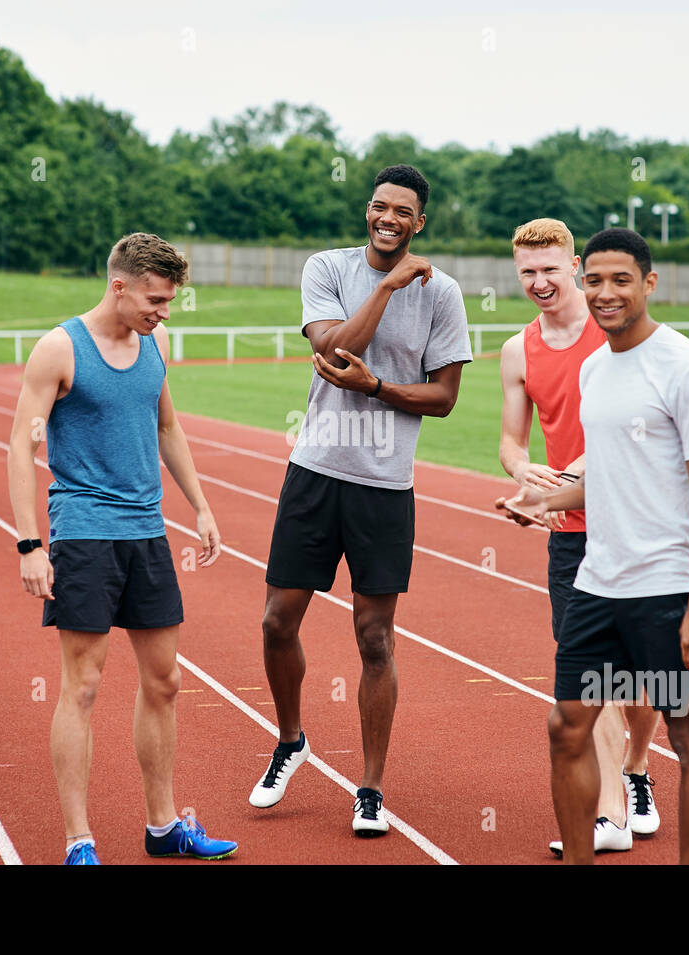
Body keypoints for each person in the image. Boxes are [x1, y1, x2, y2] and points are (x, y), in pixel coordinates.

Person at [250, 165, 473, 835]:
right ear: (367, 209)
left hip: (384, 486)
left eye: (403, 211)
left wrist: (377, 388)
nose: (388, 218)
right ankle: (291, 739)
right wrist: (387, 286)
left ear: (419, 222)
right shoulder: (327, 267)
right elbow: (334, 349)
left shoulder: (444, 294)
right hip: (315, 470)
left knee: (375, 638)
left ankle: (369, 786)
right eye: (380, 206)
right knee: (277, 621)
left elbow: (444, 398)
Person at [7, 232, 238, 864]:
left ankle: (164, 828)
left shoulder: (152, 345)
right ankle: (78, 842)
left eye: (169, 301)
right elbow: (22, 446)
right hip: (84, 533)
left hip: (147, 533)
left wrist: (201, 506)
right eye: (155, 300)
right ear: (120, 286)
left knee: (165, 681)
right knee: (82, 686)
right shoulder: (60, 348)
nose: (164, 312)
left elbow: (167, 426)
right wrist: (30, 544)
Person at [505, 228, 689, 865]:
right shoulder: (596, 368)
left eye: (621, 280)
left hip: (667, 586)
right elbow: (602, 476)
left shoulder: (687, 368)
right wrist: (540, 502)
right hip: (598, 580)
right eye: (597, 281)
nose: (606, 293)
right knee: (567, 726)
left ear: (649, 284)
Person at [496, 218, 661, 855]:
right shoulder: (518, 351)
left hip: (633, 525)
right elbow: (511, 441)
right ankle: (611, 813)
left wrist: (570, 476)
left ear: (574, 267)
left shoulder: (615, 333)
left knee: (639, 677)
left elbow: (634, 427)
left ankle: (637, 769)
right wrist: (524, 473)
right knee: (592, 672)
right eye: (527, 272)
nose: (539, 282)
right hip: (571, 534)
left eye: (550, 270)